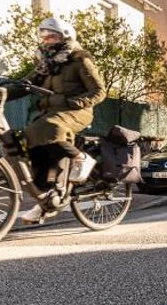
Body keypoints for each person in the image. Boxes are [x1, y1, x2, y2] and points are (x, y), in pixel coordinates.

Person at [17, 17, 105, 224]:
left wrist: (73, 102)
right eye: (44, 37)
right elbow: (25, 85)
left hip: (78, 111)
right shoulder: (45, 65)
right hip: (52, 113)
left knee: (49, 126)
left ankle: (81, 159)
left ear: (66, 36)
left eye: (52, 36)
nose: (47, 40)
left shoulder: (80, 59)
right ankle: (47, 200)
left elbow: (99, 92)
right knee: (31, 140)